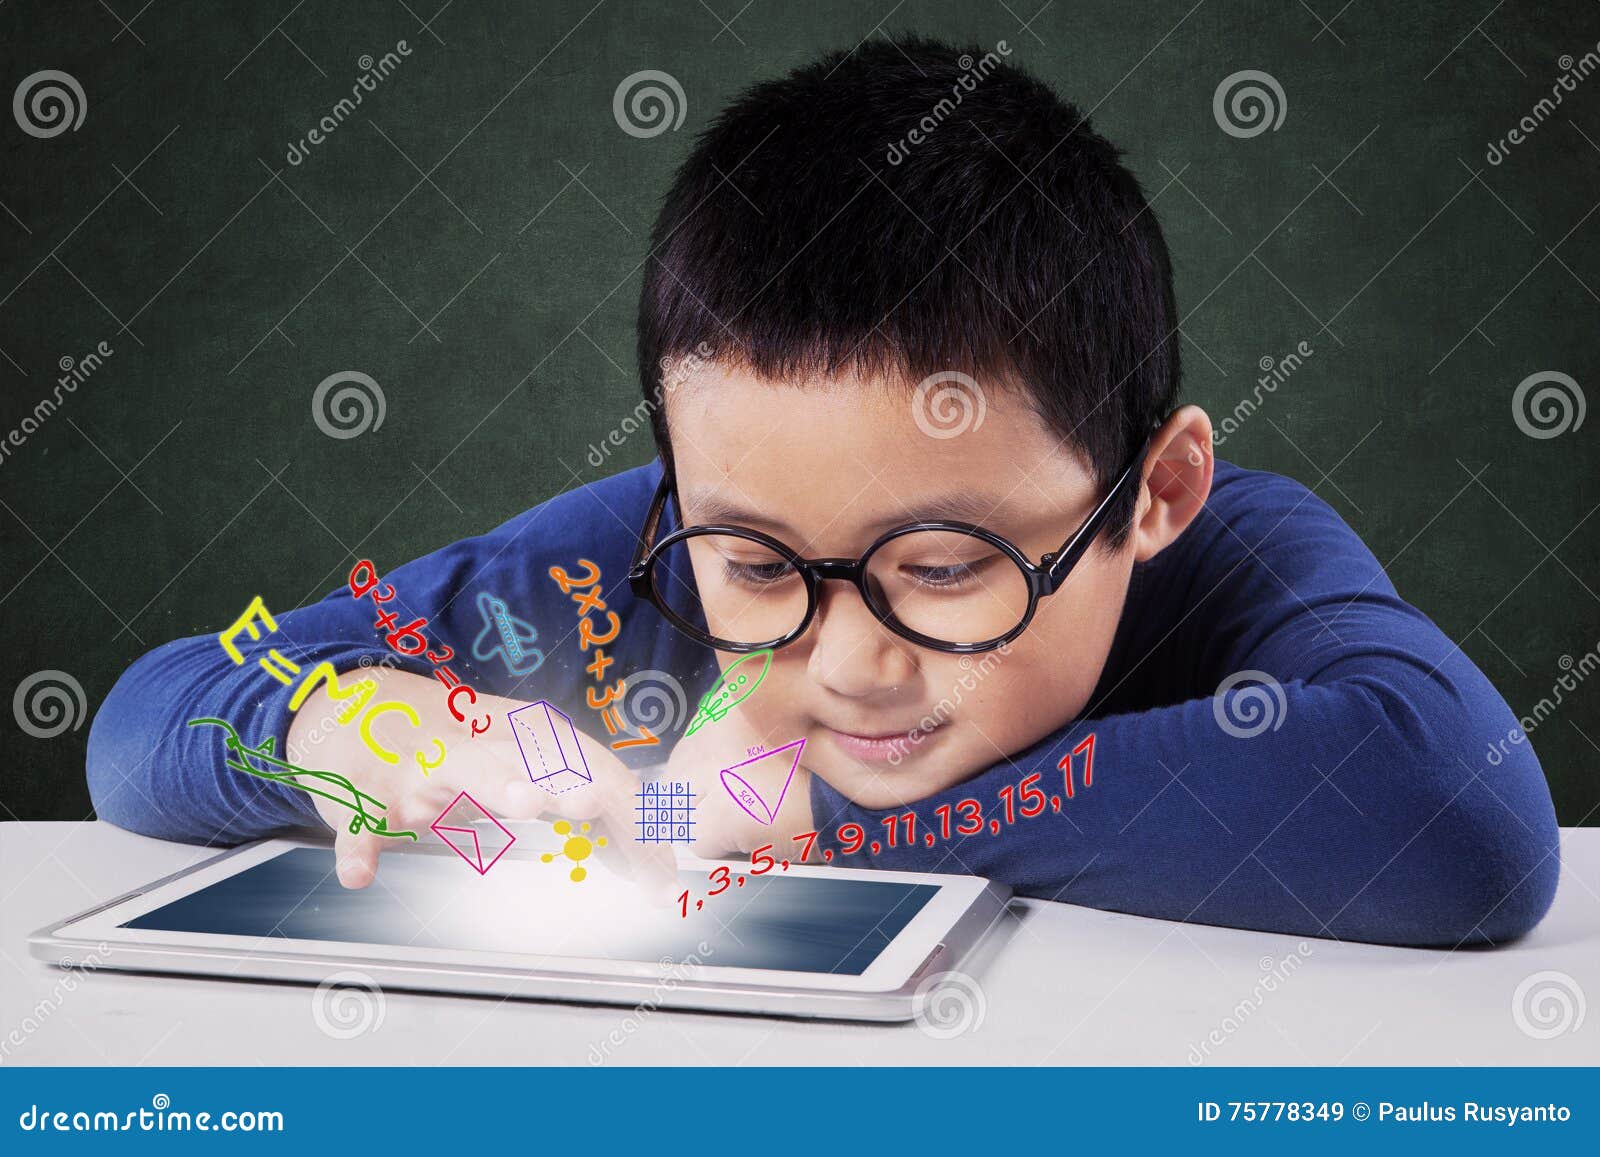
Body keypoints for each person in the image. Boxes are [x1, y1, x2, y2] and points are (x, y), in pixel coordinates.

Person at [88, 36, 1558, 947]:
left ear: (1154, 490)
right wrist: (339, 721)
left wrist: (787, 826)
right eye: (758, 564)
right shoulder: (637, 563)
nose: (848, 663)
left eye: (945, 562)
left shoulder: (1240, 558)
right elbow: (142, 725)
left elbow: (1462, 825)